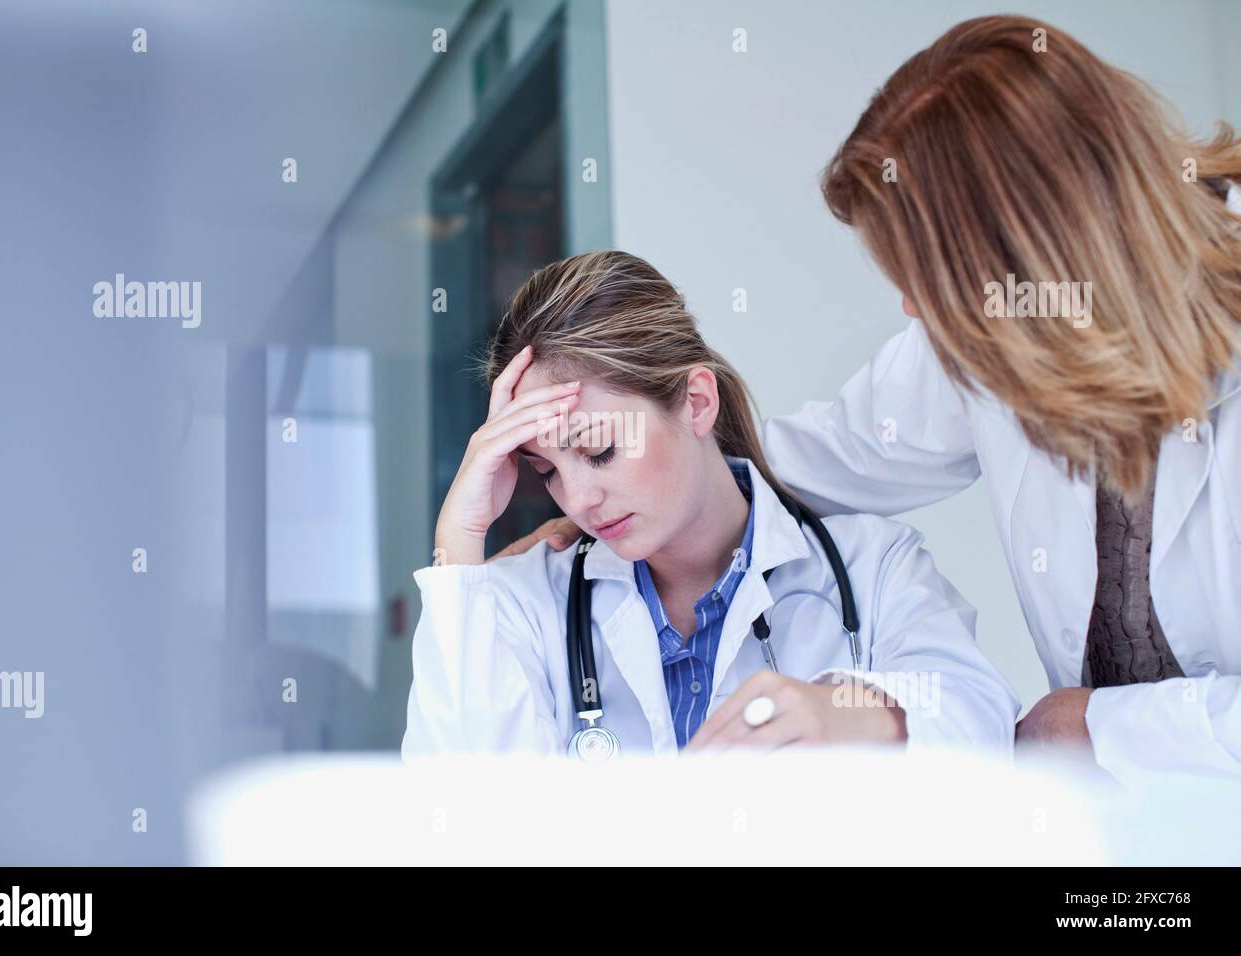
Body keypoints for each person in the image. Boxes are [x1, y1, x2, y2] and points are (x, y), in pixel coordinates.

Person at [503, 17, 1241, 785]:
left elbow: (971, 709)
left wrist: (1101, 728)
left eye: (929, 274)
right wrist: (600, 489)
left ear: (1033, 248)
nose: (912, 309)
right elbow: (817, 457)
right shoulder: (996, 335)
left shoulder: (900, 554)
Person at [402, 251, 1018, 759]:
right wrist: (461, 537)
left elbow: (982, 719)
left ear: (697, 402)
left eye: (599, 450)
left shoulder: (871, 567)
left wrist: (840, 709)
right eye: (546, 471)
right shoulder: (525, 604)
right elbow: (461, 814)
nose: (579, 500)